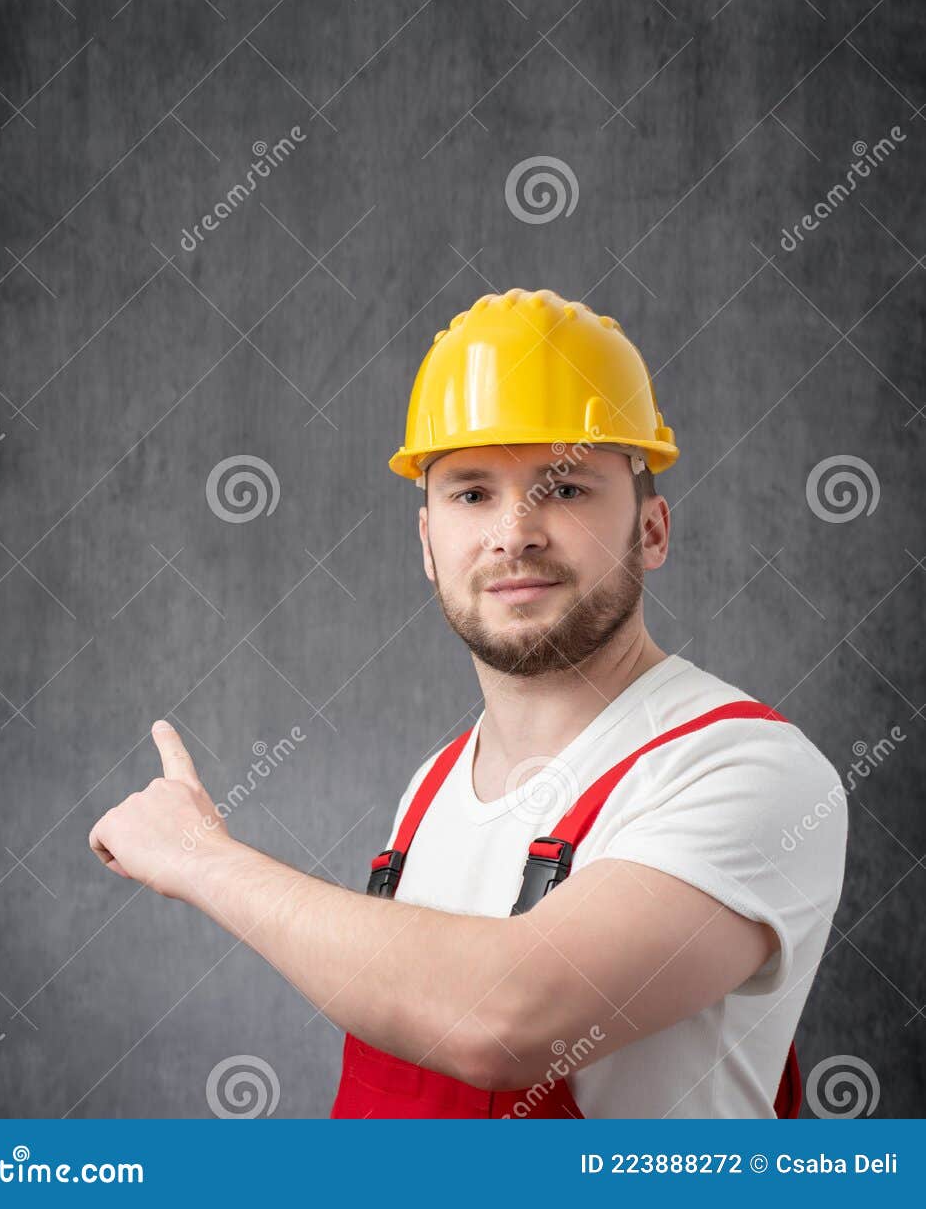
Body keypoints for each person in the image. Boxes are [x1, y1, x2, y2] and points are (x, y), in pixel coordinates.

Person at [88, 288, 847, 1118]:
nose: (514, 532)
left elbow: (508, 1018)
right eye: (472, 493)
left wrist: (201, 856)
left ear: (653, 532)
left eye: (565, 488)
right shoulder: (432, 790)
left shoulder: (748, 770)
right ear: (427, 544)